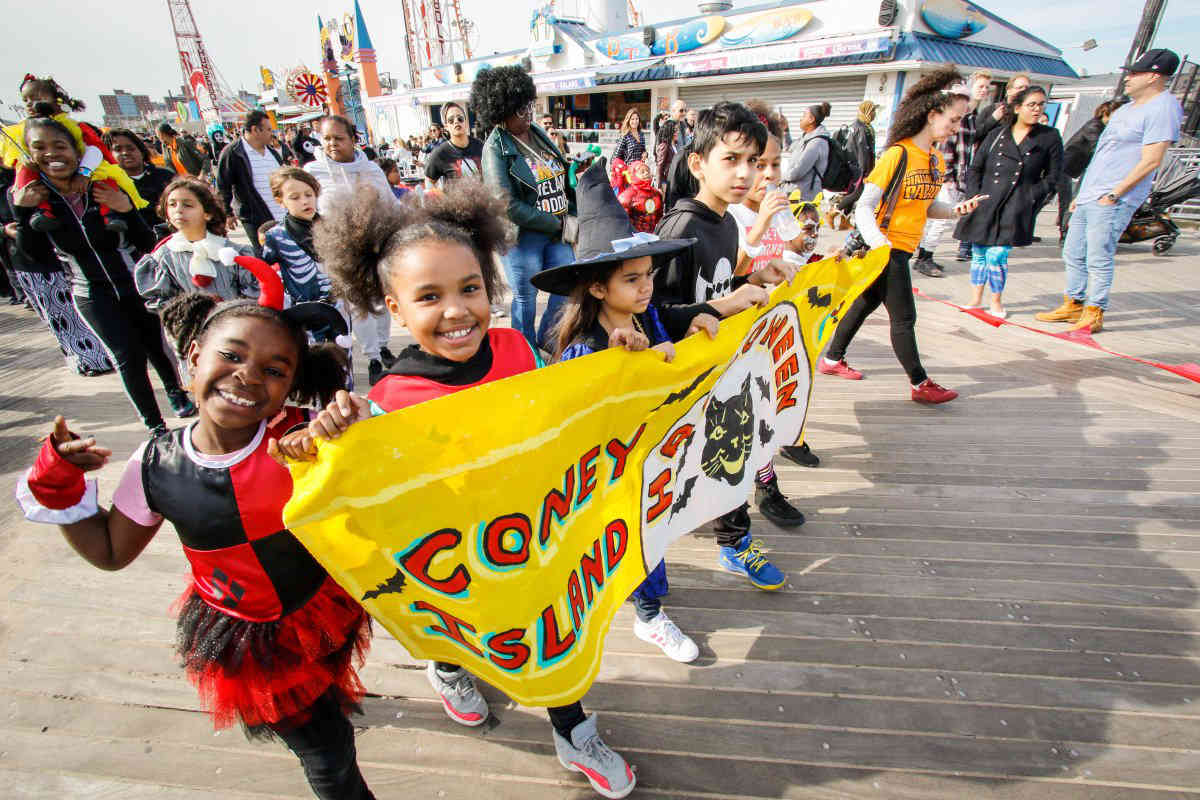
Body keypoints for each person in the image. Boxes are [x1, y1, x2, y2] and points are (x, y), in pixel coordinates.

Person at [307, 180, 636, 799]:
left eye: (470, 288)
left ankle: (572, 728)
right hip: (455, 557)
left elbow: (564, 404)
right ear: (394, 308)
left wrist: (612, 362)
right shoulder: (386, 403)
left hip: (533, 535)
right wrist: (332, 437)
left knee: (549, 634)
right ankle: (448, 665)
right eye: (429, 296)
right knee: (459, 626)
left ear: (490, 286)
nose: (456, 311)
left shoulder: (516, 347)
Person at [16, 273, 374, 800]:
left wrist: (351, 429)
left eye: (274, 370)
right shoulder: (156, 464)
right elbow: (110, 551)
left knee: (329, 695)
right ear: (193, 356)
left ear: (290, 386)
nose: (248, 376)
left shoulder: (305, 436)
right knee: (328, 754)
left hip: (323, 608)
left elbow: (382, 476)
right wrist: (59, 485)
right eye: (231, 355)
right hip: (249, 638)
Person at [535, 160, 715, 663]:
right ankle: (649, 616)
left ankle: (642, 599)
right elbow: (576, 408)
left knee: (645, 532)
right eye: (632, 278)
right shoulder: (585, 349)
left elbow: (668, 319)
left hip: (649, 454)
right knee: (629, 534)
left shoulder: (646, 314)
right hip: (606, 468)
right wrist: (622, 364)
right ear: (597, 288)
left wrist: (698, 319)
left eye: (648, 274)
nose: (646, 286)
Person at [654, 101, 806, 585]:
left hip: (718, 372)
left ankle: (734, 543)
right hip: (678, 381)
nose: (746, 173)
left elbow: (715, 284)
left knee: (731, 455)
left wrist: (752, 276)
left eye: (754, 162)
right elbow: (654, 313)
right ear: (698, 163)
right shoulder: (681, 228)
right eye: (732, 160)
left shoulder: (726, 223)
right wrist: (727, 303)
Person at [15, 118, 195, 432]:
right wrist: (21, 213)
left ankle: (176, 393)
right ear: (31, 155)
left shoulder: (104, 186)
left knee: (157, 346)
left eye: (59, 146)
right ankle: (155, 426)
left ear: (77, 151)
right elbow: (36, 257)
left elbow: (146, 243)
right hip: (90, 293)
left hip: (136, 284)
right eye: (40, 147)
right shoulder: (33, 198)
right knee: (127, 355)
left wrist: (126, 210)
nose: (51, 154)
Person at [820, 67, 984, 405]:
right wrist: (880, 243)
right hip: (886, 248)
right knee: (904, 318)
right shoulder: (898, 154)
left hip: (903, 247)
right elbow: (865, 206)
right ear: (932, 114)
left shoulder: (936, 160)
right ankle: (919, 382)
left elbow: (926, 205)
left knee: (864, 303)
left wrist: (955, 211)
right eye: (953, 120)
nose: (956, 128)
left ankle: (832, 359)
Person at [1036, 49, 1183, 333]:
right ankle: (1074, 303)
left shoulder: (1163, 107)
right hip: (1091, 193)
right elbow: (1101, 155)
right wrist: (1082, 193)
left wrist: (1116, 193)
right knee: (1072, 252)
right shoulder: (1125, 109)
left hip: (1114, 197)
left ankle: (1095, 310)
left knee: (1098, 255)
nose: (1127, 78)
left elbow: (1152, 159)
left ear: (1153, 77)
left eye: (1134, 73)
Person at [727, 107, 822, 470]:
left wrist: (810, 239)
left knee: (782, 383)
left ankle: (789, 438)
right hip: (738, 326)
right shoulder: (734, 215)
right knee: (749, 403)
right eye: (758, 164)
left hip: (772, 321)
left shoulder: (776, 207)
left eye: (775, 164)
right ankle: (765, 479)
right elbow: (733, 273)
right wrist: (763, 222)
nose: (768, 174)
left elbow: (794, 249)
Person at [473, 65, 575, 350]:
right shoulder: (495, 147)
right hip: (522, 237)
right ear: (501, 112)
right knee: (525, 299)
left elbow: (559, 173)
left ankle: (548, 337)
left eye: (530, 106)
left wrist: (571, 209)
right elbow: (505, 204)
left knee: (567, 285)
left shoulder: (537, 133)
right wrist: (554, 223)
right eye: (520, 110)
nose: (528, 113)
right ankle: (525, 353)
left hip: (556, 229)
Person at [956, 86, 1062, 318]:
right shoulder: (997, 134)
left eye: (1041, 104)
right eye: (1031, 105)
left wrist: (1031, 195)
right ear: (1017, 108)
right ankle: (975, 298)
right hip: (986, 200)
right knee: (979, 252)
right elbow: (975, 168)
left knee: (997, 255)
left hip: (1017, 203)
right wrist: (973, 196)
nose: (1037, 109)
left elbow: (1054, 176)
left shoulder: (1049, 136)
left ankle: (996, 301)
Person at [306, 115, 396, 383]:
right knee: (358, 306)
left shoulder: (372, 170)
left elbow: (391, 203)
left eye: (338, 138)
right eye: (327, 139)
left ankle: (383, 346)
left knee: (382, 300)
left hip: (377, 244)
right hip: (341, 250)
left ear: (353, 139)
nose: (332, 143)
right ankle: (373, 358)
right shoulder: (313, 171)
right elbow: (307, 210)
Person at [0, 165, 113, 375]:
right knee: (61, 316)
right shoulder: (14, 191)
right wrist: (7, 228)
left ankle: (106, 355)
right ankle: (88, 361)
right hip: (35, 265)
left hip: (69, 260)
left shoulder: (67, 184)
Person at [1, 76, 147, 234]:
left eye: (37, 98)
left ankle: (110, 214)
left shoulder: (74, 127)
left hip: (89, 170)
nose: (51, 153)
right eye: (26, 100)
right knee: (24, 172)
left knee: (105, 178)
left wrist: (84, 173)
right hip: (41, 188)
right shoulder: (22, 130)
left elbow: (94, 151)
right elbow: (29, 249)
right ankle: (42, 211)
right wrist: (21, 210)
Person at [134, 177, 258, 309]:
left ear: (208, 213)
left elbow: (253, 297)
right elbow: (163, 304)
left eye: (187, 205)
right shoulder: (162, 258)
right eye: (172, 204)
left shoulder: (235, 252)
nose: (178, 210)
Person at [216, 110, 285, 258]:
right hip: (255, 217)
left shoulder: (272, 152)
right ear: (255, 130)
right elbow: (223, 185)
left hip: (282, 214)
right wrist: (227, 213)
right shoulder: (233, 153)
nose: (272, 134)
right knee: (268, 257)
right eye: (268, 129)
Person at [1057, 100, 1118, 239]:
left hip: (1069, 168)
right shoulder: (1094, 126)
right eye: (1115, 114)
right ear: (1106, 113)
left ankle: (1063, 230)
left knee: (1052, 199)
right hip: (1064, 167)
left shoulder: (1102, 127)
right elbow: (1098, 148)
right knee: (1065, 201)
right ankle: (1065, 232)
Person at [104, 128, 176, 231]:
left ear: (141, 152)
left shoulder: (166, 176)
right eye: (118, 149)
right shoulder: (110, 187)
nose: (125, 153)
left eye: (130, 148)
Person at [425, 101, 484, 189]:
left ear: (466, 122)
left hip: (482, 197)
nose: (456, 122)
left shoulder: (480, 146)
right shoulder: (440, 153)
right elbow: (429, 182)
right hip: (455, 198)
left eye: (460, 118)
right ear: (446, 126)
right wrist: (439, 195)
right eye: (451, 120)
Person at [781, 101, 831, 201]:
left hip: (805, 198)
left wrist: (779, 177)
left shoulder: (816, 143)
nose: (801, 119)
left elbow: (797, 173)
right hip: (796, 194)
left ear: (811, 119)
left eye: (804, 116)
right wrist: (786, 130)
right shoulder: (806, 137)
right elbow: (790, 148)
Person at [837, 101, 879, 217]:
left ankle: (844, 218)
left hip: (854, 165)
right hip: (859, 167)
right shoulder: (861, 128)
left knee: (853, 192)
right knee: (858, 192)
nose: (875, 114)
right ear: (868, 112)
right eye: (873, 111)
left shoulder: (859, 125)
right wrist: (865, 171)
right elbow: (862, 151)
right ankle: (834, 211)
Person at [975, 73, 1030, 147]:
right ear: (1009, 90)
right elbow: (974, 135)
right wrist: (993, 119)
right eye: (1020, 87)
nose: (1023, 90)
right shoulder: (992, 109)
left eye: (1026, 88)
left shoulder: (1027, 115)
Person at [616, 160, 663, 233]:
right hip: (634, 236)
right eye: (642, 172)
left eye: (648, 171)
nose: (646, 173)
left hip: (652, 235)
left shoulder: (656, 193)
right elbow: (620, 221)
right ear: (633, 175)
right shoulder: (627, 196)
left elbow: (659, 216)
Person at [654, 118, 678, 189]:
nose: (677, 132)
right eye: (675, 130)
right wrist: (659, 186)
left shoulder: (674, 145)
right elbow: (659, 167)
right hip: (665, 182)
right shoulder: (664, 146)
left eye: (677, 130)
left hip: (673, 180)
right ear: (669, 131)